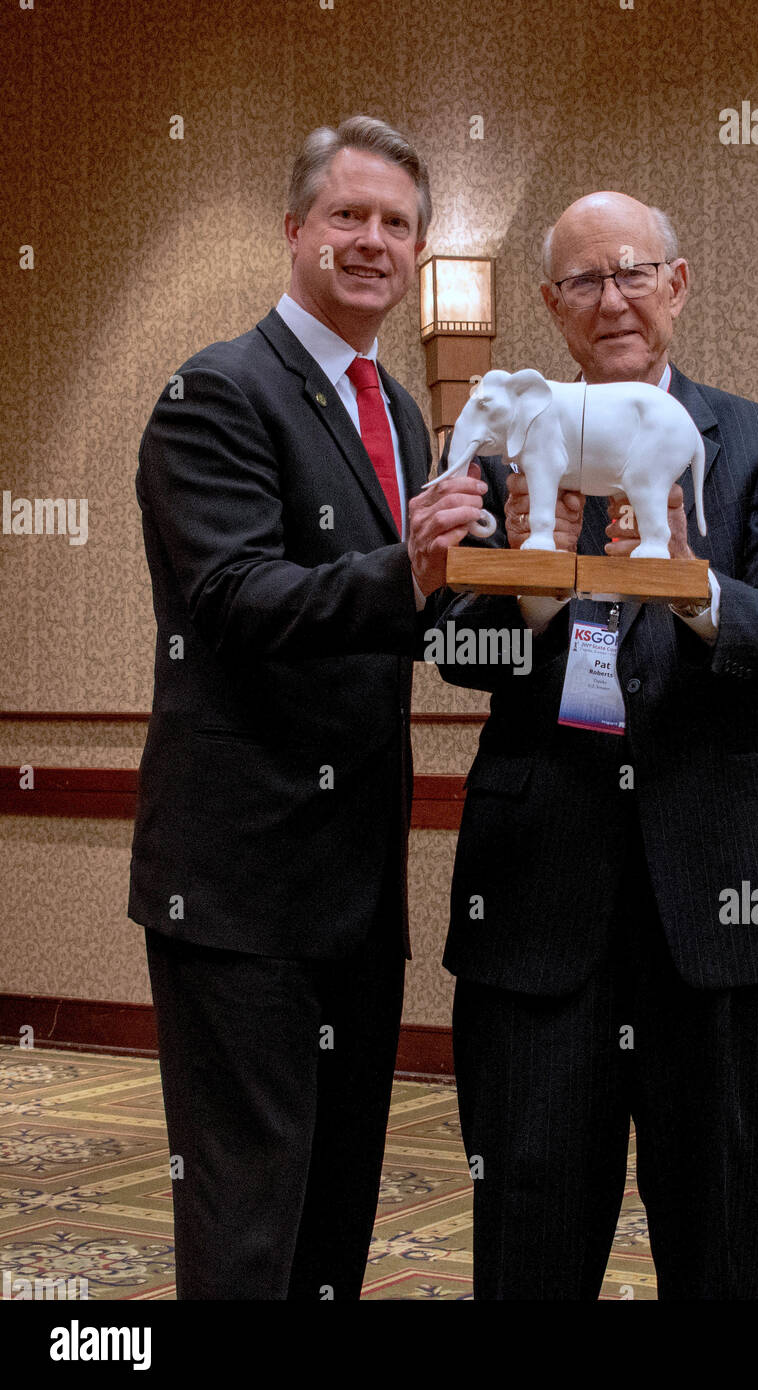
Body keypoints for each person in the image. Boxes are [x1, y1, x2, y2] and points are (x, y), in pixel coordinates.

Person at [435, 191, 758, 1300]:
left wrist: (697, 588)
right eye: (580, 283)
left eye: (630, 274)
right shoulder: (507, 447)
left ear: (676, 282)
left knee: (716, 1241)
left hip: (721, 906)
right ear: (549, 307)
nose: (609, 300)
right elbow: (453, 649)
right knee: (527, 1233)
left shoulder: (757, 444)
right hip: (536, 908)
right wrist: (536, 588)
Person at [128, 115, 487, 1300]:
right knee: (247, 1218)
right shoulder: (217, 392)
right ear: (294, 229)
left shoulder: (395, 408)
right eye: (348, 215)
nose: (371, 240)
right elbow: (236, 597)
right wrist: (412, 572)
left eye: (395, 222)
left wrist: (548, 577)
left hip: (355, 878)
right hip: (239, 883)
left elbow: (401, 619)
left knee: (337, 1205)